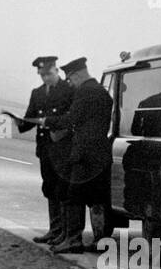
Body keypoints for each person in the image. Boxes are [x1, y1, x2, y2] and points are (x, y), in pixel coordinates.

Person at [1, 56, 75, 244]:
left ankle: (66, 233)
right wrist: (17, 121)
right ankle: (55, 229)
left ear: (56, 70)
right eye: (42, 75)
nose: (46, 78)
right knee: (50, 188)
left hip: (63, 148)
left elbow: (74, 118)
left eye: (49, 74)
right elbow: (29, 119)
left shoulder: (69, 90)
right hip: (45, 150)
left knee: (63, 190)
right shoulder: (37, 93)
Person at [45, 56, 114, 254]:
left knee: (73, 196)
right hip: (100, 152)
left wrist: (49, 121)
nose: (71, 83)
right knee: (97, 198)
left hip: (84, 154)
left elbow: (72, 118)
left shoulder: (85, 91)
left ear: (76, 75)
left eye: (71, 79)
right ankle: (101, 241)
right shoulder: (102, 92)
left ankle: (73, 240)